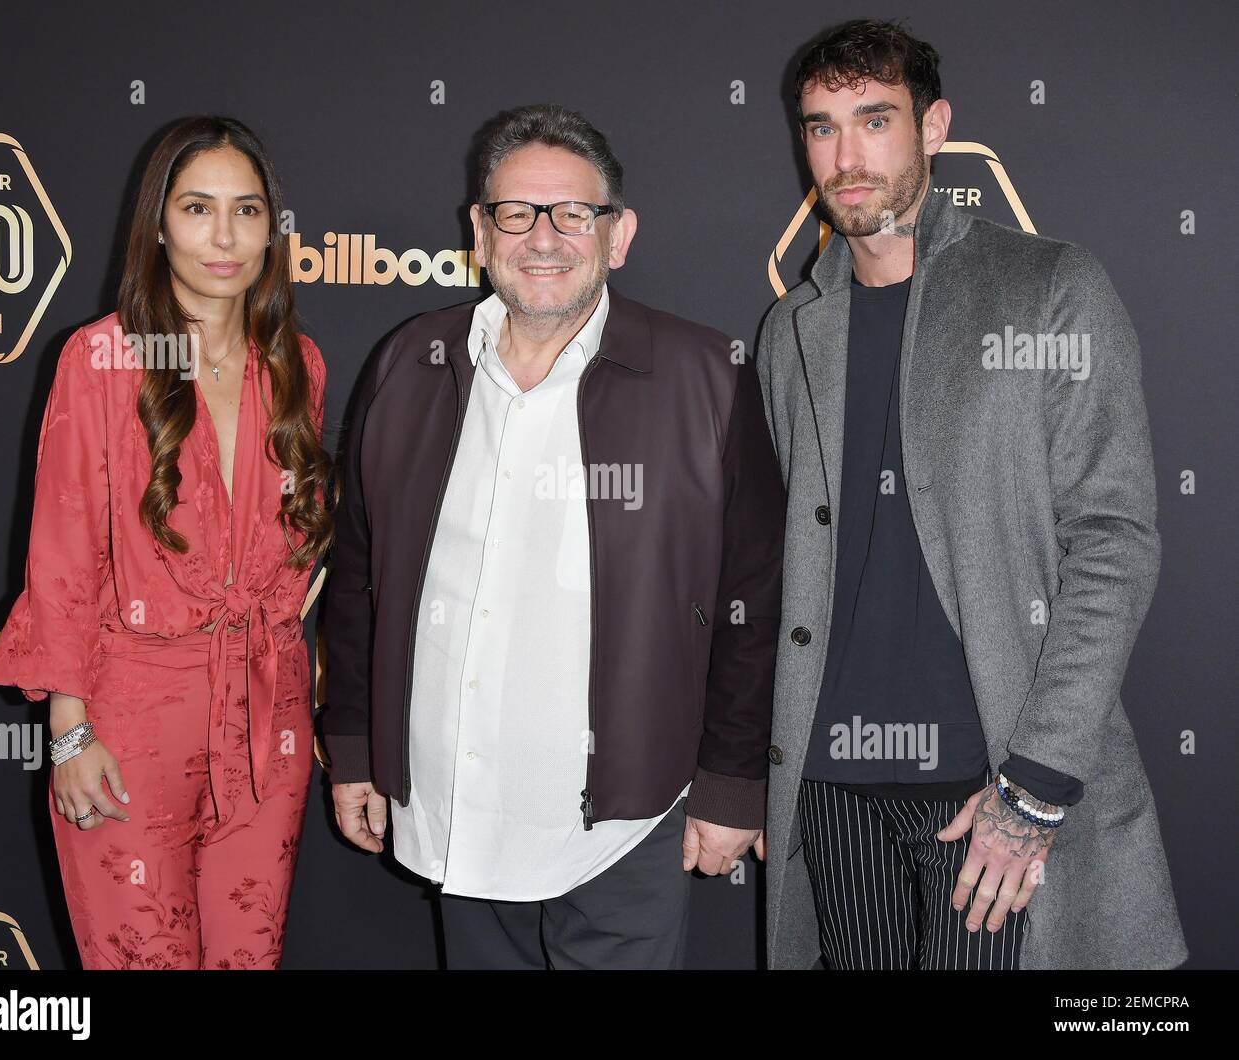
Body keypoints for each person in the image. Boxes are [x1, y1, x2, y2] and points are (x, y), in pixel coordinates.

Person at [757, 19, 1187, 969]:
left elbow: (1113, 541)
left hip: (990, 789)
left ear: (935, 125)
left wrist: (1031, 788)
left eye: (875, 120)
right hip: (834, 791)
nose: (847, 154)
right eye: (822, 127)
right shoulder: (793, 330)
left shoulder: (1049, 289)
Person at [322, 103, 785, 969]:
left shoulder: (703, 376)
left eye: (575, 212)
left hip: (623, 818)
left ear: (620, 234)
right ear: (479, 229)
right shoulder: (408, 363)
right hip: (454, 799)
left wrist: (732, 782)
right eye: (517, 212)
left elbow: (752, 599)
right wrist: (353, 745)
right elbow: (357, 577)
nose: (545, 237)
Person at [0, 115, 335, 970]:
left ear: (271, 227)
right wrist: (70, 730)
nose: (224, 237)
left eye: (247, 211)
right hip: (130, 719)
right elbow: (64, 554)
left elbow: (299, 539)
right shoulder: (99, 359)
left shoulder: (297, 363)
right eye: (197, 208)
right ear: (158, 223)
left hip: (266, 720)